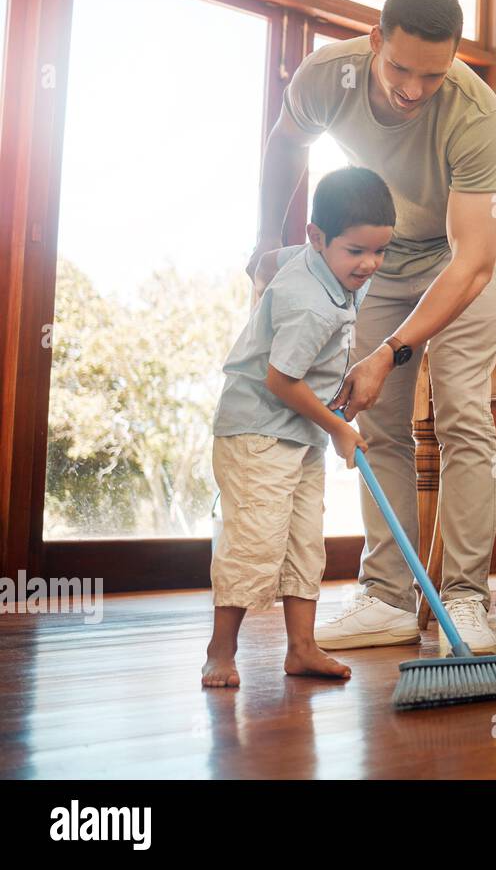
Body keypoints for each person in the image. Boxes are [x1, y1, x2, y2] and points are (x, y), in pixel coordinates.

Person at [246, 0, 496, 656]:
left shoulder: (475, 112)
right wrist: (264, 248)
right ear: (374, 42)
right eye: (400, 68)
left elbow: (474, 261)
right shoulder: (326, 78)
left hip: (460, 263)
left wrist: (389, 350)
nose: (415, 88)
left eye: (434, 72)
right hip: (384, 260)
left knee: (460, 414)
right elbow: (286, 147)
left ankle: (467, 600)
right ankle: (389, 598)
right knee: (379, 425)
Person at [204, 166, 395, 688]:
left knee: (305, 540)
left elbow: (272, 261)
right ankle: (220, 653)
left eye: (380, 250)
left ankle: (302, 649)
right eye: (356, 251)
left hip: (298, 430)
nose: (370, 264)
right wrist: (338, 426)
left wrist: (262, 268)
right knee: (254, 542)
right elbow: (280, 380)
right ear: (318, 237)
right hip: (258, 431)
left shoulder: (321, 263)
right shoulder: (310, 305)